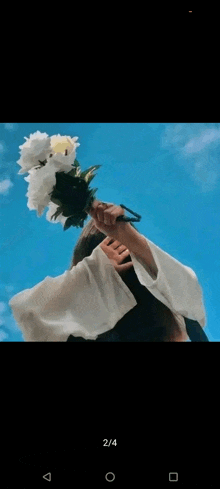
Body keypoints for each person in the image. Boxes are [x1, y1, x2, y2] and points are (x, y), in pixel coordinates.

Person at [9, 201, 207, 342]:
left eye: (125, 249)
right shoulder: (83, 329)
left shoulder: (169, 310)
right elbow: (27, 313)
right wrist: (95, 272)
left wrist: (127, 237)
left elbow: (189, 295)